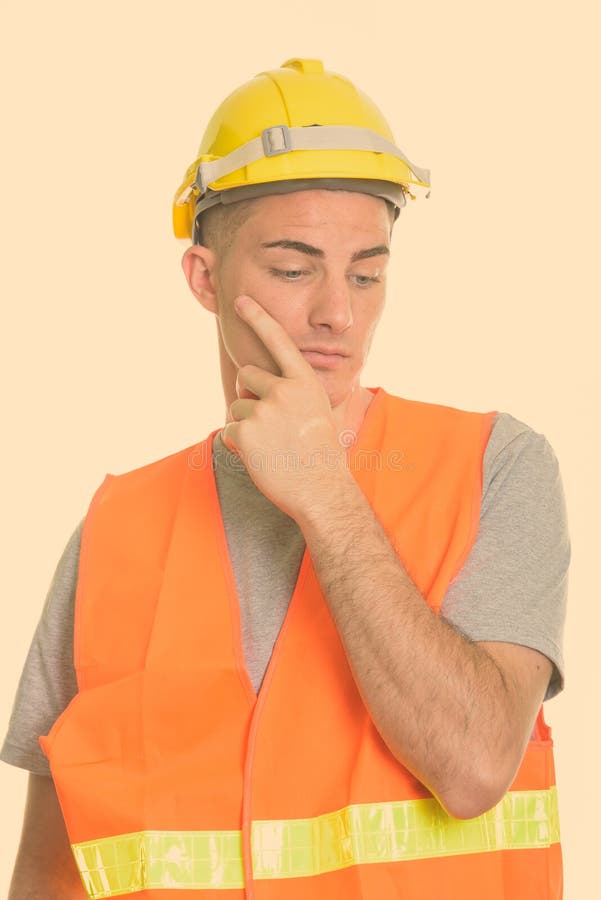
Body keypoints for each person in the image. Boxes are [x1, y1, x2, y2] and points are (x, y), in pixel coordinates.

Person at [2, 58, 570, 899]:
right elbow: (53, 870)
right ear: (205, 279)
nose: (338, 312)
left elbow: (475, 765)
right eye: (294, 268)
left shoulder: (494, 467)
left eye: (366, 273)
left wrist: (326, 495)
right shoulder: (117, 529)